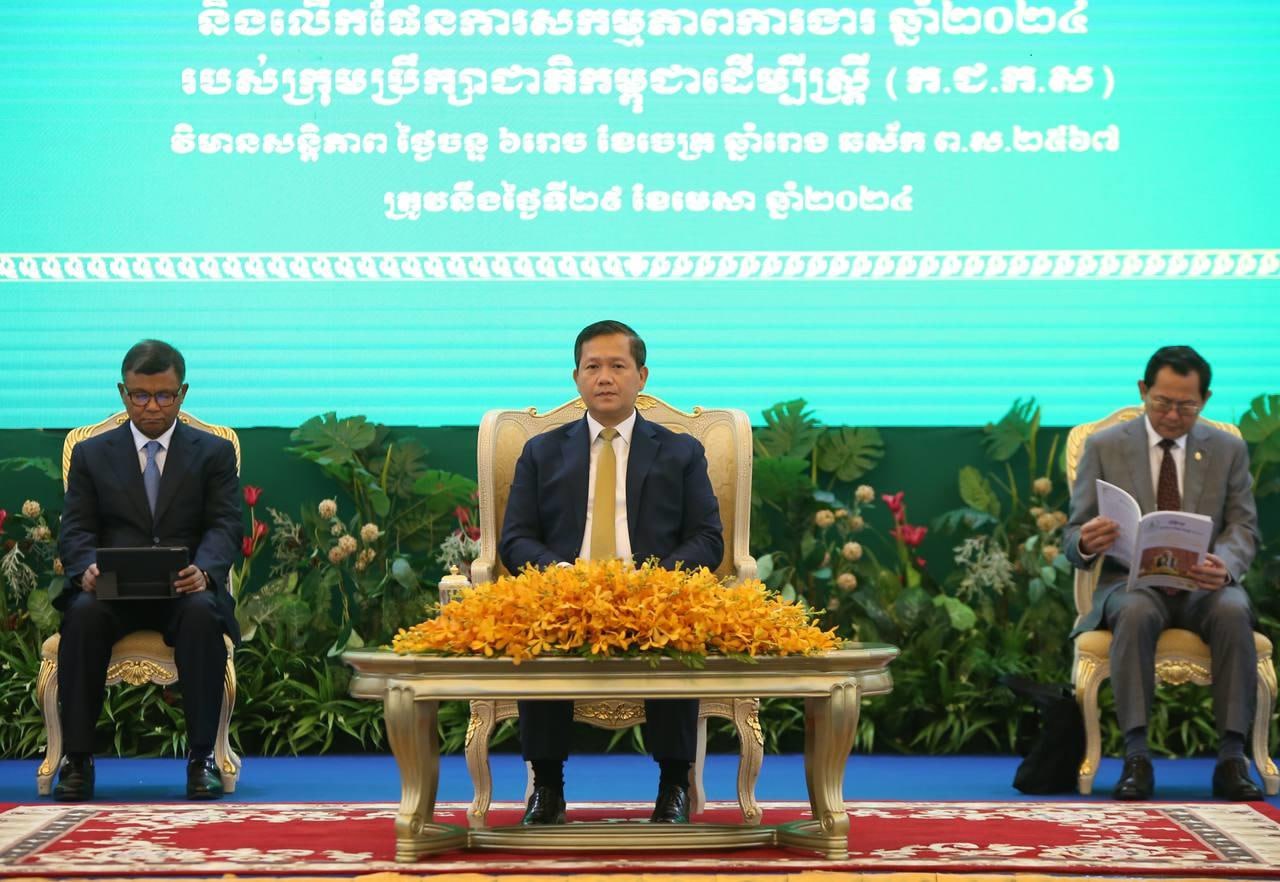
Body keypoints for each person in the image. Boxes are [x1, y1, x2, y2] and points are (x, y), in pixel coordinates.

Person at [499, 320, 725, 825]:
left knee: (674, 631)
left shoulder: (680, 452)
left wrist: (655, 579)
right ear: (575, 377)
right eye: (593, 367)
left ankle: (674, 787)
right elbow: (515, 540)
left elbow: (708, 540)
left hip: (651, 593)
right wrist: (559, 573)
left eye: (618, 366)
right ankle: (548, 788)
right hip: (565, 592)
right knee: (538, 627)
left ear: (641, 376)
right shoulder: (541, 452)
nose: (605, 377)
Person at [1065, 345, 1262, 801]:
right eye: (1162, 403)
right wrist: (1085, 541)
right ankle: (1137, 758)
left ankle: (1232, 759)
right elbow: (1073, 532)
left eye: (1186, 405)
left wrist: (1226, 566)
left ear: (1205, 399)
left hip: (1202, 586)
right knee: (1133, 612)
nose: (1173, 415)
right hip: (1131, 583)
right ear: (1143, 391)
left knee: (1234, 609)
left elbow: (1244, 527)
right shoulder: (1105, 446)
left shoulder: (1227, 449)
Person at [53, 340, 242, 801]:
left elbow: (226, 524)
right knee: (82, 615)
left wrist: (206, 570)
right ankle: (77, 760)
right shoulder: (92, 453)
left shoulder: (213, 452)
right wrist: (86, 570)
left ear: (182, 393)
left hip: (184, 590)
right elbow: (75, 529)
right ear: (123, 392)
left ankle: (201, 760)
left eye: (164, 395)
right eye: (140, 395)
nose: (152, 407)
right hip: (112, 591)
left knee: (202, 615)